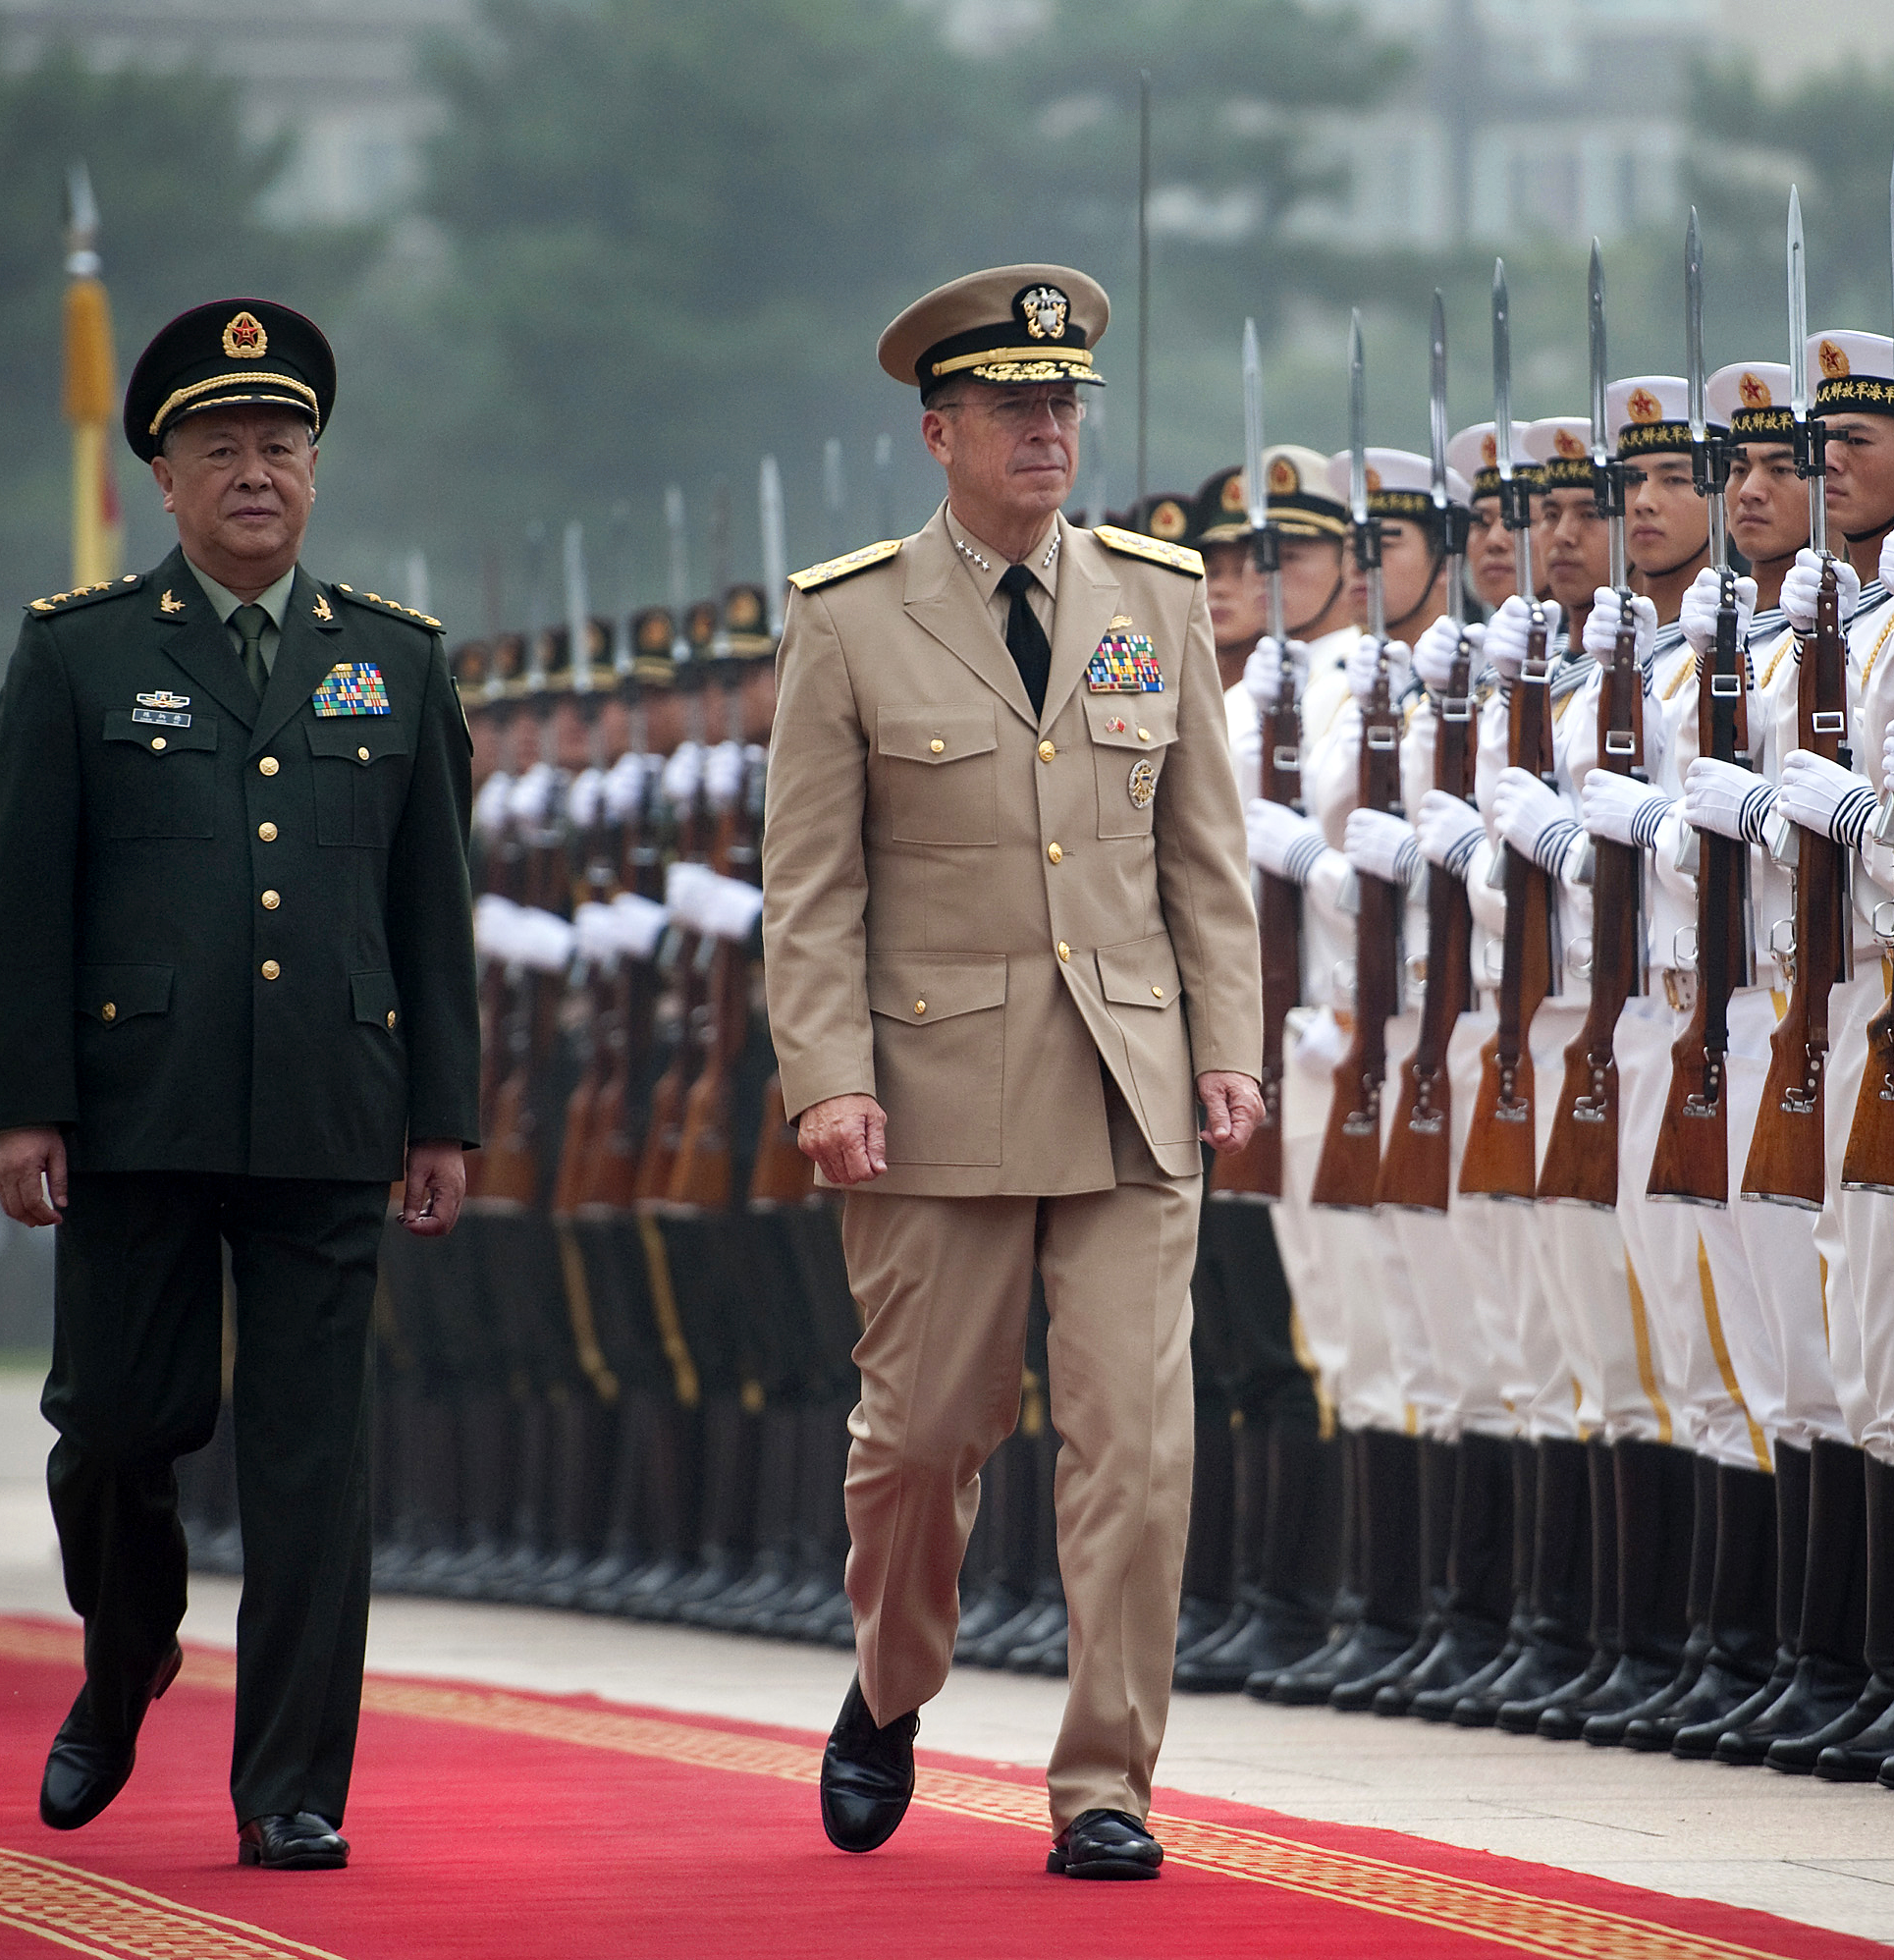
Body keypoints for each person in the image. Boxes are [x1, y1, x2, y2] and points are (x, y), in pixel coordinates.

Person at [763, 262, 1262, 1880]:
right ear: (937, 431)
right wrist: (824, 1073)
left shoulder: (1154, 598)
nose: (1047, 429)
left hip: (1128, 1091)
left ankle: (1104, 1779)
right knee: (921, 1439)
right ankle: (890, 1686)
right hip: (932, 1096)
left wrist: (1230, 1051)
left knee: (1137, 1443)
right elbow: (811, 883)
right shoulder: (846, 618)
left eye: (1063, 406)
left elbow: (1205, 859)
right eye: (1012, 407)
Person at [0, 298, 479, 1872]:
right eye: (220, 448)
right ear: (163, 481)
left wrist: (444, 1114)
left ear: (313, 469)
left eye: (280, 444)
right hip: (137, 1109)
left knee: (315, 1466)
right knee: (121, 1426)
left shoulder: (392, 659)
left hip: (331, 1109)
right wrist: (24, 1103)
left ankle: (293, 1789)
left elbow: (433, 906)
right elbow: (18, 896)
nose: (254, 471)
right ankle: (123, 1659)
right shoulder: (81, 652)